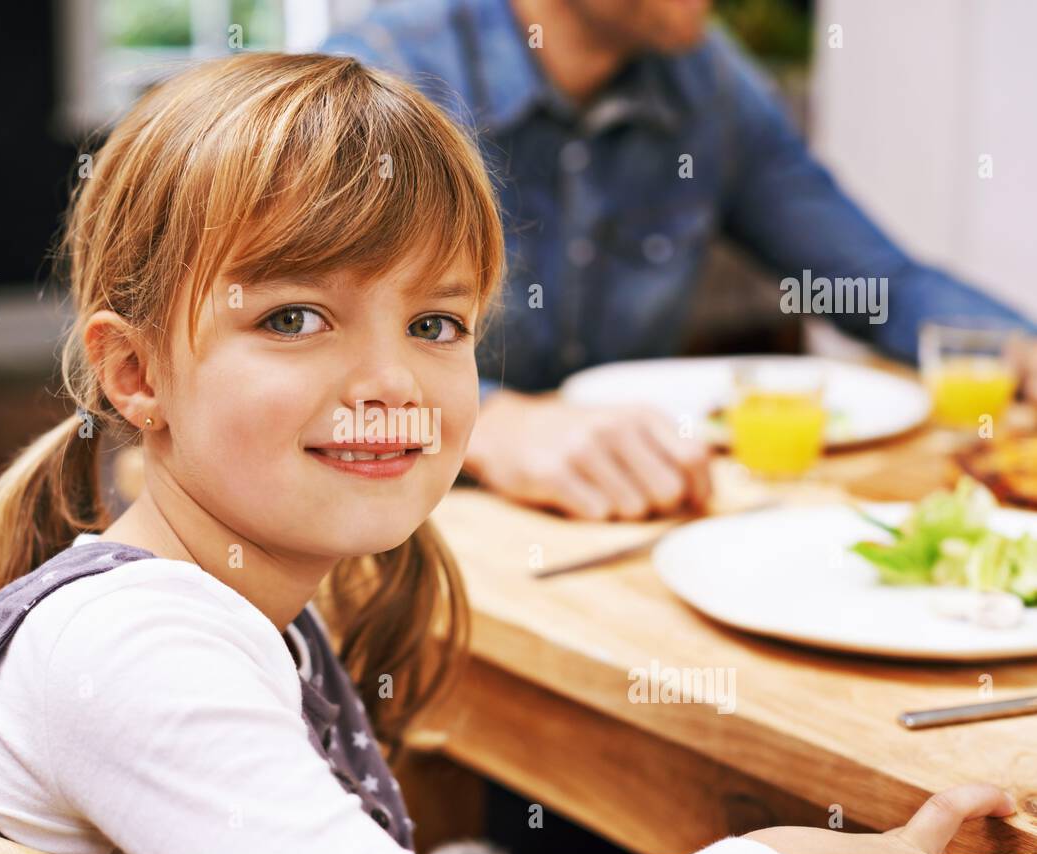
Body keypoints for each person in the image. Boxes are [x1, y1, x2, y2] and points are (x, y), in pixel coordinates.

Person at [0, 51, 1012, 854]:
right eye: (294, 318)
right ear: (136, 375)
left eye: (436, 326)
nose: (391, 380)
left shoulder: (220, 605)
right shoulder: (137, 650)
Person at [321, 0, 1036, 522]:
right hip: (412, 527)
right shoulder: (380, 77)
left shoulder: (709, 83)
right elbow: (279, 347)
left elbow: (874, 283)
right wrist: (487, 425)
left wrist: (1021, 353)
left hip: (638, 515)